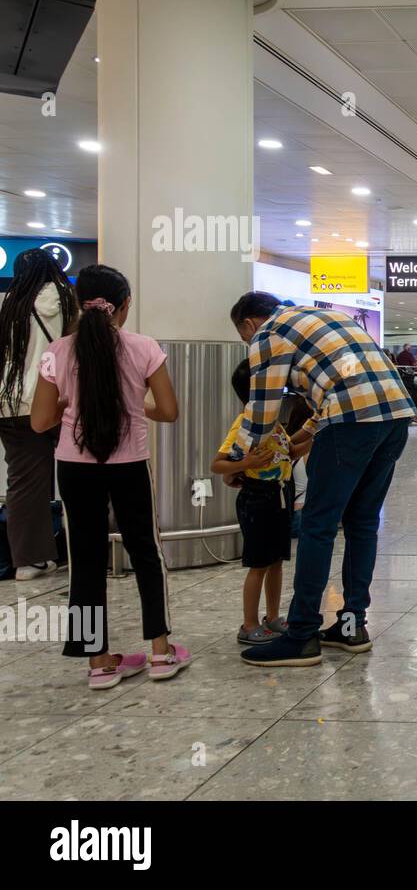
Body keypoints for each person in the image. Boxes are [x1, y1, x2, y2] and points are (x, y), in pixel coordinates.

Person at [228, 292, 416, 667]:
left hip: (350, 424)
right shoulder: (329, 319)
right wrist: (306, 435)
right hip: (395, 417)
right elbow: (341, 385)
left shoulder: (267, 333)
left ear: (249, 324)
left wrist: (239, 459)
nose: (249, 345)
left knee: (318, 526)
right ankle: (351, 626)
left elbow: (262, 407)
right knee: (362, 524)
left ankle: (300, 635)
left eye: (243, 337)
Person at [30, 264, 188, 688]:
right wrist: (135, 407)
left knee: (85, 559)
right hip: (129, 465)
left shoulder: (58, 352)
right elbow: (169, 411)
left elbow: (41, 420)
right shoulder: (144, 347)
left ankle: (99, 663)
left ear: (79, 303)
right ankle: (160, 651)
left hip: (75, 468)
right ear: (125, 305)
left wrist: (75, 405)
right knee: (146, 552)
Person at [211, 361, 312, 644]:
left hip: (280, 494)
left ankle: (272, 616)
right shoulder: (247, 424)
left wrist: (315, 435)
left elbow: (289, 451)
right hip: (257, 498)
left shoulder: (273, 424)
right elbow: (218, 464)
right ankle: (249, 624)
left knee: (277, 561)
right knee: (258, 563)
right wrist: (246, 462)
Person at [0, 248, 77, 581]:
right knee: (79, 475)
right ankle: (81, 549)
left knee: (24, 482)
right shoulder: (67, 301)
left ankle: (28, 561)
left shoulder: (7, 305)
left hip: (11, 403)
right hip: (57, 399)